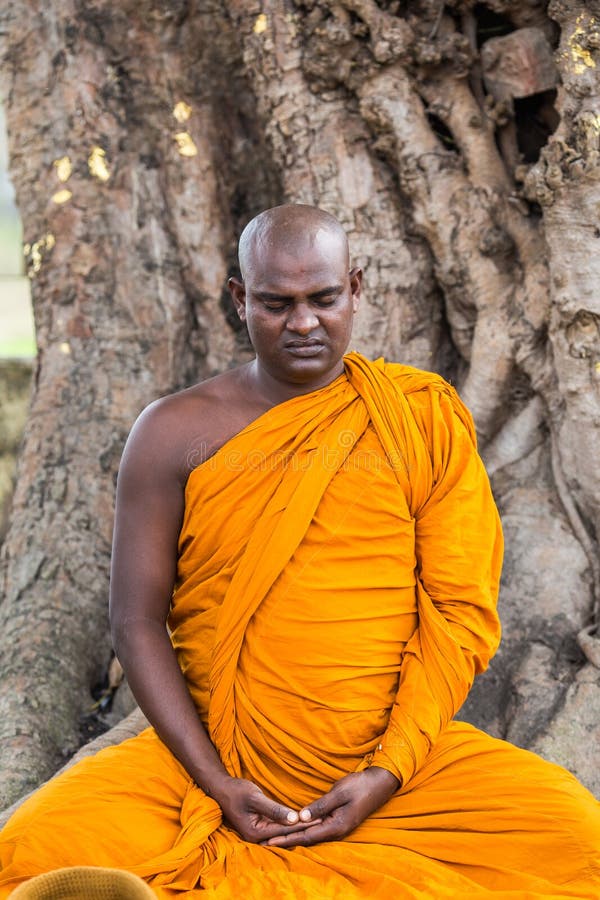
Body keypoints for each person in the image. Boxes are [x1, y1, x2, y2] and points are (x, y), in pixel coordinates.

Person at [1, 204, 599, 899]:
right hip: (212, 754)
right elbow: (135, 622)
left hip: (395, 766)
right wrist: (216, 780)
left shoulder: (420, 420)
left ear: (356, 288)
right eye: (276, 304)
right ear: (239, 299)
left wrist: (388, 771)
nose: (304, 323)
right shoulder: (172, 432)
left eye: (322, 299)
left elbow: (458, 615)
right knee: (33, 847)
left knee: (578, 837)